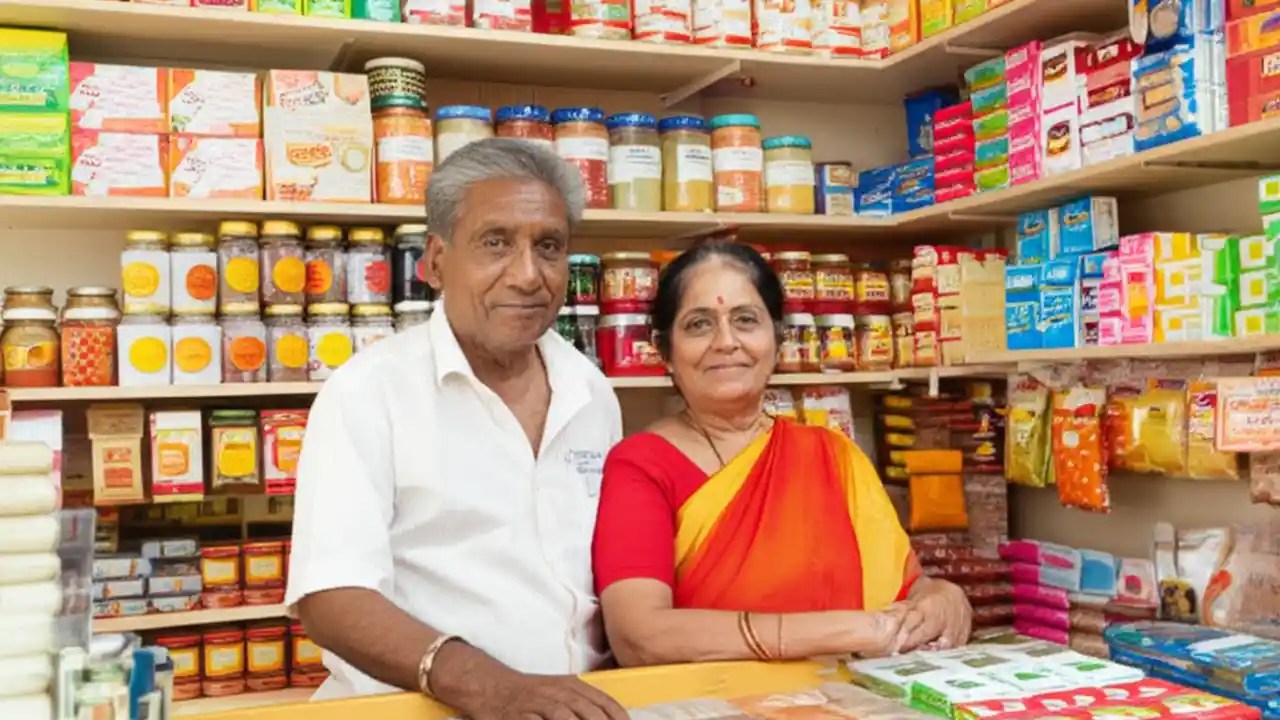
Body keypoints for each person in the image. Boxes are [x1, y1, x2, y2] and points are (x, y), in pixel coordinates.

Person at [286, 139, 627, 720]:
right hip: (425, 710)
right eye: (496, 243)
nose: (527, 275)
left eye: (549, 247)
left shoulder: (589, 389)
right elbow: (331, 597)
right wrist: (493, 687)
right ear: (436, 263)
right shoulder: (369, 391)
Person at [591, 242, 973, 667]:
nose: (726, 342)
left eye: (746, 320)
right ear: (664, 351)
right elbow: (640, 637)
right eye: (699, 324)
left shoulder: (832, 453)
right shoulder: (642, 465)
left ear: (779, 338)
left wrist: (943, 597)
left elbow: (908, 587)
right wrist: (854, 631)